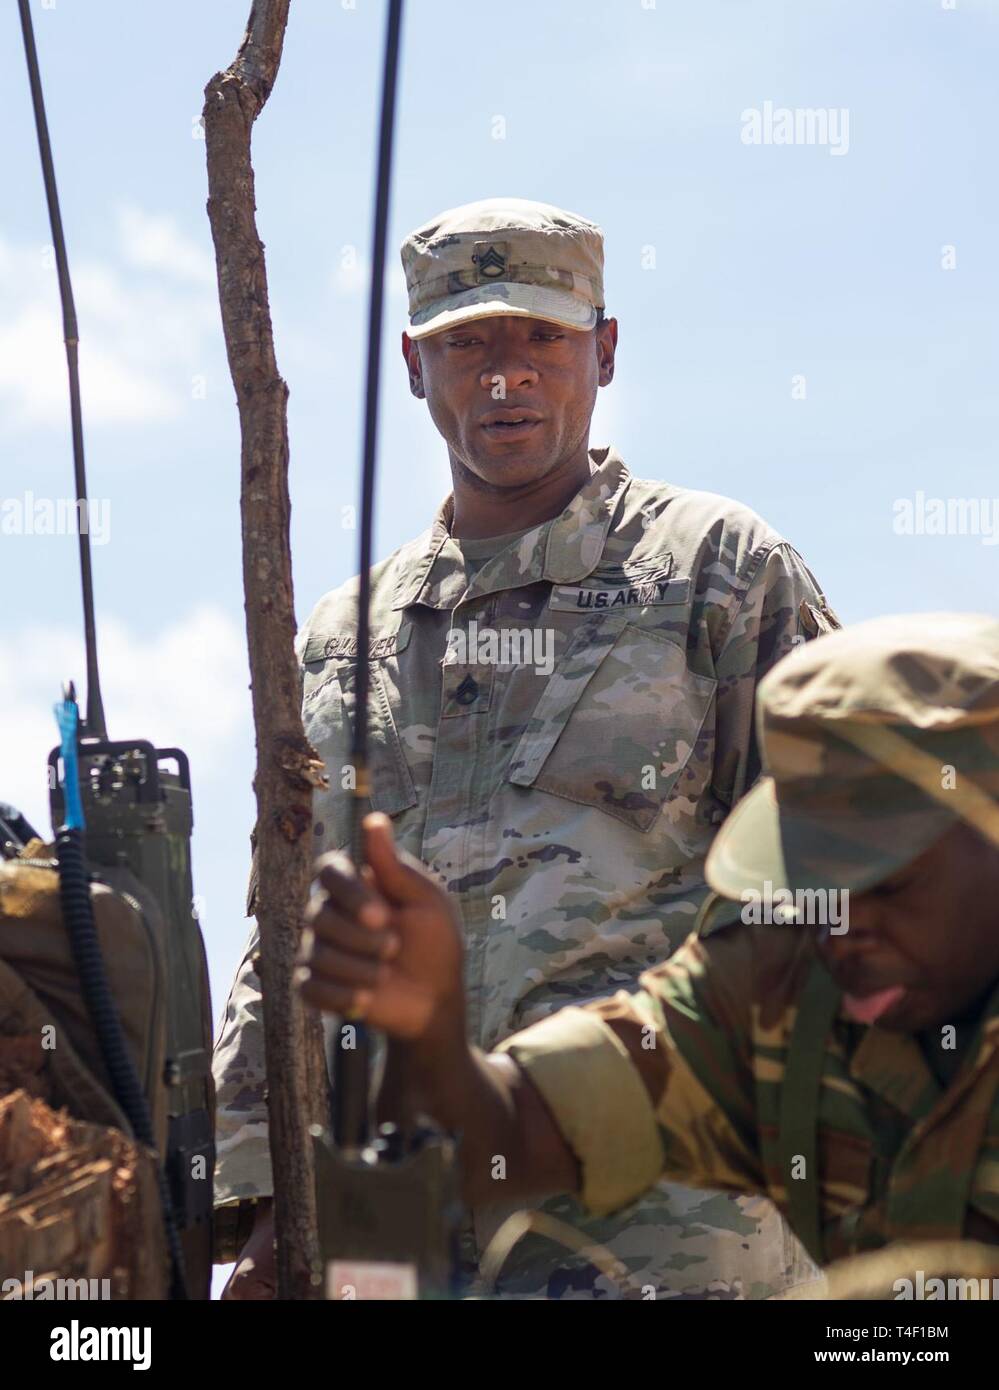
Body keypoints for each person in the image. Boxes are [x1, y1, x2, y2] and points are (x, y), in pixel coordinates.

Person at [216, 196, 836, 1299]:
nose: (507, 373)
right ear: (415, 366)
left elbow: (837, 878)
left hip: (653, 1216)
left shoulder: (720, 568)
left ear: (605, 350)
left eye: (543, 336)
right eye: (467, 343)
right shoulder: (343, 633)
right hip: (391, 1223)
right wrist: (270, 1201)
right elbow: (287, 931)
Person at [298, 611, 999, 1280]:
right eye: (815, 885)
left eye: (887, 885)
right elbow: (497, 1137)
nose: (841, 927)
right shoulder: (776, 978)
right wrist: (427, 1028)